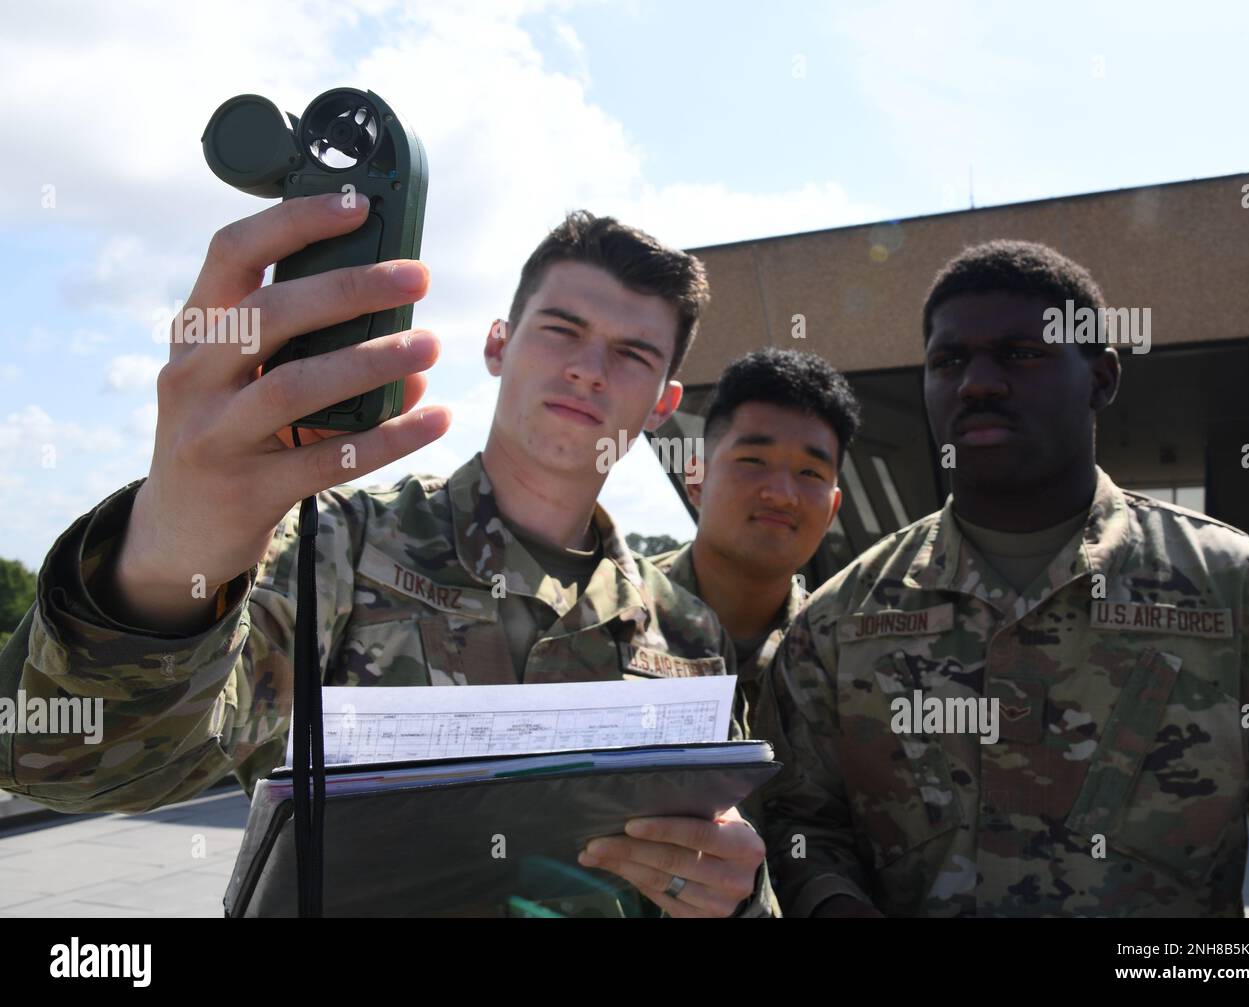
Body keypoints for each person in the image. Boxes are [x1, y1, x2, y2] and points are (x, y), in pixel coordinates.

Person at [0, 200, 768, 918]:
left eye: (631, 353)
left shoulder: (688, 635)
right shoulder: (340, 547)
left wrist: (738, 892)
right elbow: (68, 763)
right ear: (498, 343)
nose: (589, 368)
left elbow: (727, 866)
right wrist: (165, 568)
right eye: (561, 329)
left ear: (665, 402)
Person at [760, 239, 1249, 917]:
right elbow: (800, 821)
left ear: (1101, 377)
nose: (977, 382)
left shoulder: (1246, 592)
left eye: (1021, 353)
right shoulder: (840, 620)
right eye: (949, 360)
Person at [651, 348, 859, 716]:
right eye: (753, 461)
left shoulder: (848, 657)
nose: (781, 495)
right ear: (696, 480)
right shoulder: (609, 618)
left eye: (810, 473)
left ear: (832, 512)